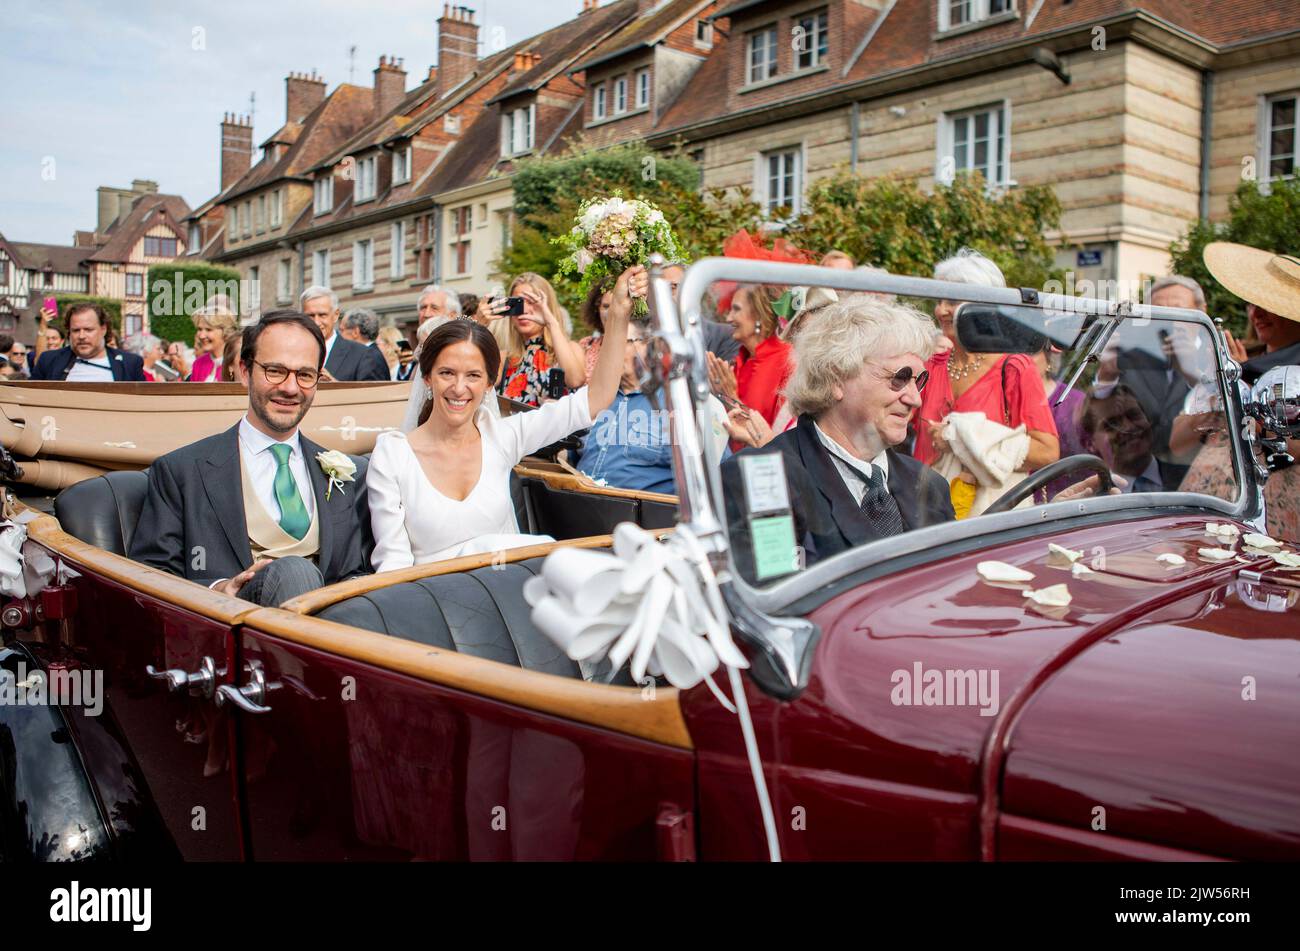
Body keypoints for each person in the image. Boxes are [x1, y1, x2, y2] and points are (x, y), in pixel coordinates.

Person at [368, 265, 647, 570]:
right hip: (431, 604)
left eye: (473, 375)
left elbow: (596, 398)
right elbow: (392, 565)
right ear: (427, 379)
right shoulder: (393, 454)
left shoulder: (501, 436)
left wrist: (619, 312)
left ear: (490, 383)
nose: (459, 388)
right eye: (447, 373)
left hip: (507, 597)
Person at [130, 310, 370, 604]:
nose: (290, 388)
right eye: (275, 371)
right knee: (294, 571)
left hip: (336, 629)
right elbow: (150, 574)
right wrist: (218, 590)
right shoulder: (181, 470)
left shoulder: (346, 471)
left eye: (305, 375)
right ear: (244, 371)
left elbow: (352, 572)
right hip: (230, 629)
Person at [721, 295, 955, 583]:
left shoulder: (928, 486)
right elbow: (775, 607)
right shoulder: (762, 481)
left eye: (919, 381)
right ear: (836, 379)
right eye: (899, 377)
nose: (915, 399)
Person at [915, 249, 1058, 516]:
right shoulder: (928, 366)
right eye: (939, 299)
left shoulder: (1015, 368)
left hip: (985, 515)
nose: (941, 310)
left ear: (984, 307)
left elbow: (1048, 452)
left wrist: (959, 438)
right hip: (924, 512)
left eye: (954, 301)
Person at [577, 318, 730, 494]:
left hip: (641, 515)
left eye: (620, 343)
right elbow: (572, 454)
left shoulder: (682, 403)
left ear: (647, 346)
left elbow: (715, 477)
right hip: (577, 504)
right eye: (606, 345)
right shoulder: (594, 399)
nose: (609, 353)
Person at [479, 272, 586, 406]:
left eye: (532, 302)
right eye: (518, 303)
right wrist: (479, 325)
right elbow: (477, 383)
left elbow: (575, 380)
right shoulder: (505, 357)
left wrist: (551, 322)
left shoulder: (570, 349)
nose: (525, 310)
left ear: (548, 306)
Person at [707, 283, 793, 428]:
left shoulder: (788, 362)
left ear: (759, 315)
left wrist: (731, 397)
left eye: (736, 310)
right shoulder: (740, 359)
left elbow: (780, 439)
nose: (728, 318)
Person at [31, 303, 146, 381]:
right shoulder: (49, 361)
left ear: (103, 330)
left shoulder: (130, 364)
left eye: (88, 330)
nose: (81, 336)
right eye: (76, 330)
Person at [299, 286, 389, 382]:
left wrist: (336, 386)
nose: (316, 322)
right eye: (310, 316)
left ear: (336, 315)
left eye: (322, 315)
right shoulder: (292, 350)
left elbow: (374, 395)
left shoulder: (362, 355)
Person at [662, 261, 739, 362]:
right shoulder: (649, 337)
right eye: (660, 290)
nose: (665, 295)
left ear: (691, 289)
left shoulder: (728, 335)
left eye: (673, 287)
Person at [188, 300, 238, 382]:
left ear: (225, 331)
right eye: (200, 329)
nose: (201, 336)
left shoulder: (236, 363)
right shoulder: (198, 363)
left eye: (208, 329)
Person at [577, 279, 614, 381]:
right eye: (606, 306)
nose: (611, 313)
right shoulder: (586, 345)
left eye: (617, 306)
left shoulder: (640, 348)